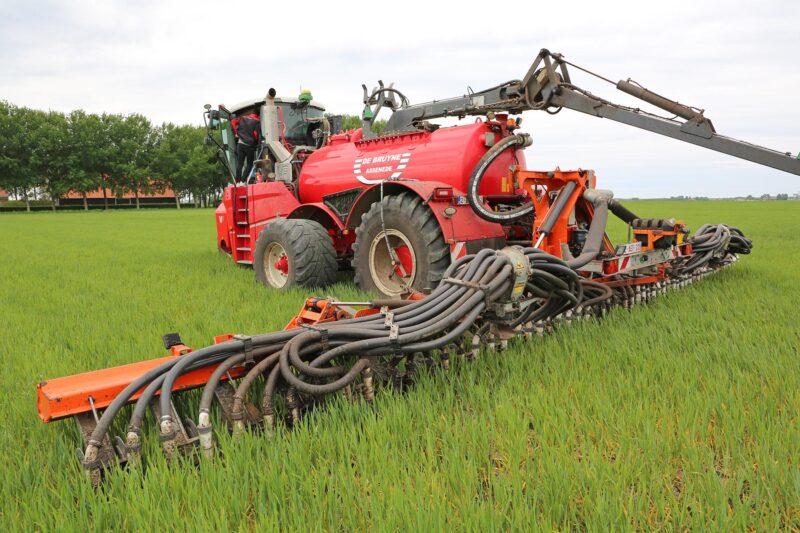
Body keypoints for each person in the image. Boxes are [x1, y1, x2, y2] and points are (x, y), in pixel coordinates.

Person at [231, 112, 260, 182]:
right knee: (249, 164)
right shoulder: (256, 121)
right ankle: (243, 181)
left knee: (239, 164)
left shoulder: (243, 117)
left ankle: (237, 181)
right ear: (258, 115)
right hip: (249, 146)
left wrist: (236, 133)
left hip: (240, 144)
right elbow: (256, 134)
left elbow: (233, 122)